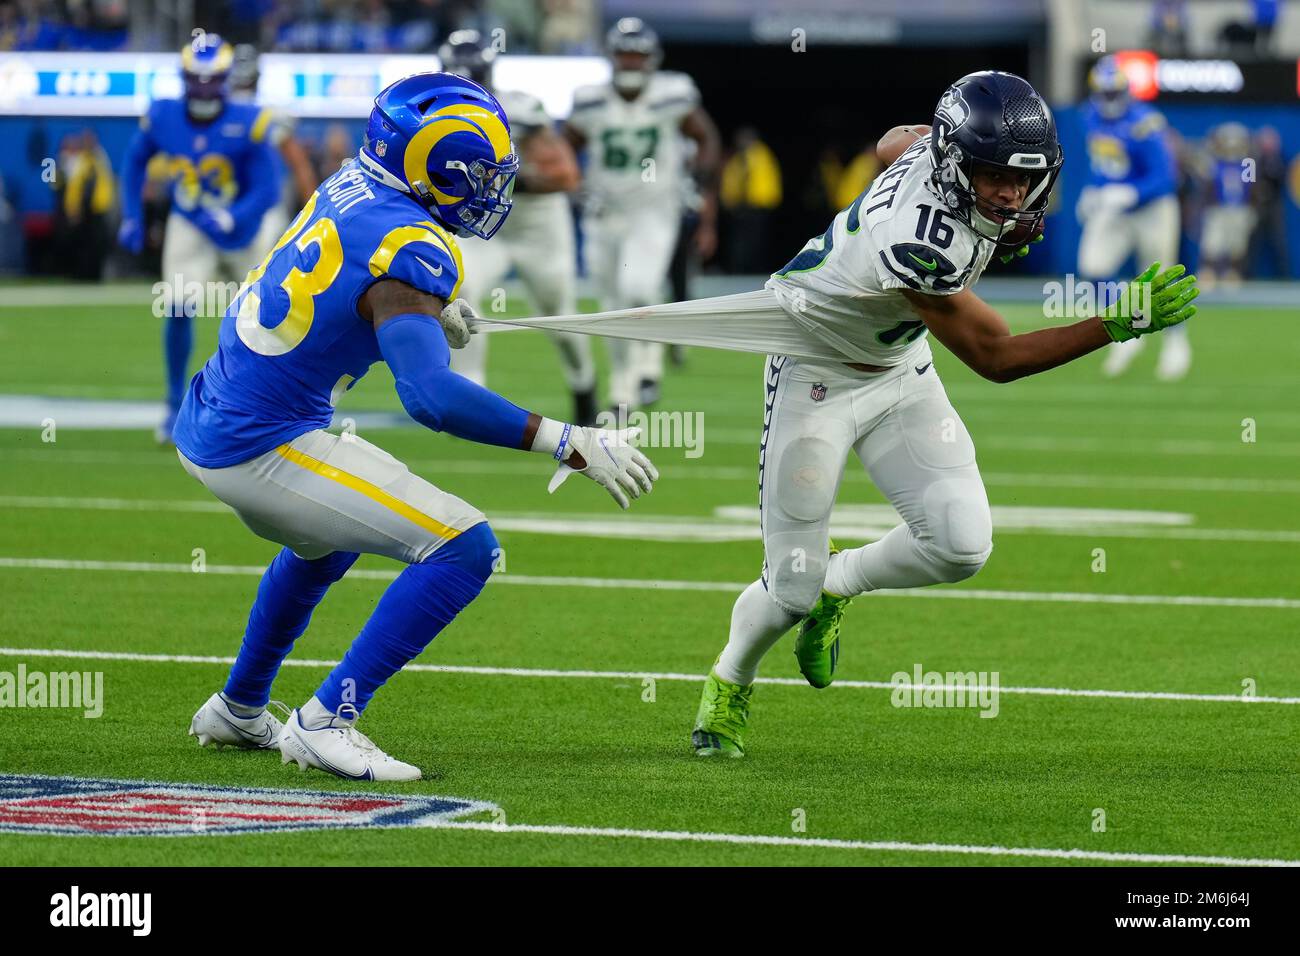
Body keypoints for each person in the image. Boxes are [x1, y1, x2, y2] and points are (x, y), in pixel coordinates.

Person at [680, 72, 1197, 756]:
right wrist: (1115, 322)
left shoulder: (936, 152)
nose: (1012, 193)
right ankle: (730, 680)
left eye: (1025, 177)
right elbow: (997, 356)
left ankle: (843, 583)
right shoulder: (922, 240)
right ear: (957, 165)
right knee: (791, 585)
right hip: (817, 374)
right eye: (994, 176)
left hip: (898, 365)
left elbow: (891, 143)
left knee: (960, 543)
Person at [179, 72, 658, 781]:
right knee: (466, 548)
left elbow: (345, 281)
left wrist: (422, 310)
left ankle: (239, 706)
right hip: (260, 441)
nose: (492, 189)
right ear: (432, 166)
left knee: (325, 545)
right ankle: (326, 720)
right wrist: (568, 439)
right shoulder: (411, 248)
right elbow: (430, 397)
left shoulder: (355, 181)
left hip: (220, 410)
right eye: (479, 174)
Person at [117, 33, 283, 444]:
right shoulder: (163, 115)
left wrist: (231, 217)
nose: (204, 87)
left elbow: (268, 189)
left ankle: (265, 404)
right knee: (177, 305)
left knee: (265, 314)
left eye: (212, 79)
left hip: (242, 227)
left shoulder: (249, 121)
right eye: (196, 78)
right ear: (184, 77)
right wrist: (132, 216)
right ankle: (175, 401)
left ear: (226, 78)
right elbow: (134, 162)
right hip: (191, 219)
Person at [439, 29, 599, 425]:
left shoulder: (518, 110)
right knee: (464, 291)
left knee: (559, 318)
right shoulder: (434, 116)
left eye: (471, 76)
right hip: (481, 230)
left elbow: (566, 175)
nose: (465, 86)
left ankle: (584, 387)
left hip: (536, 226)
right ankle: (470, 391)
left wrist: (509, 182)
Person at [562, 17, 720, 411]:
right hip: (604, 213)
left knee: (636, 290)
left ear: (651, 59)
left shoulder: (673, 95)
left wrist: (698, 181)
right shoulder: (591, 100)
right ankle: (628, 385)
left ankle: (638, 376)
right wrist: (573, 183)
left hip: (653, 209)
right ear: (612, 57)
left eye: (638, 55)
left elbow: (707, 138)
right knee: (613, 306)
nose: (631, 62)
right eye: (624, 54)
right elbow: (563, 146)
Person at [1077, 56, 1189, 381]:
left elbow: (1167, 177)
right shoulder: (1090, 116)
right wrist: (1092, 191)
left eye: (1115, 93)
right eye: (1105, 94)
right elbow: (1101, 163)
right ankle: (1126, 329)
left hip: (1154, 206)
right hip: (1114, 206)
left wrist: (1132, 193)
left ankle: (1176, 342)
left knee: (1159, 280)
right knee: (1093, 268)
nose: (1110, 101)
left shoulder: (1146, 122)